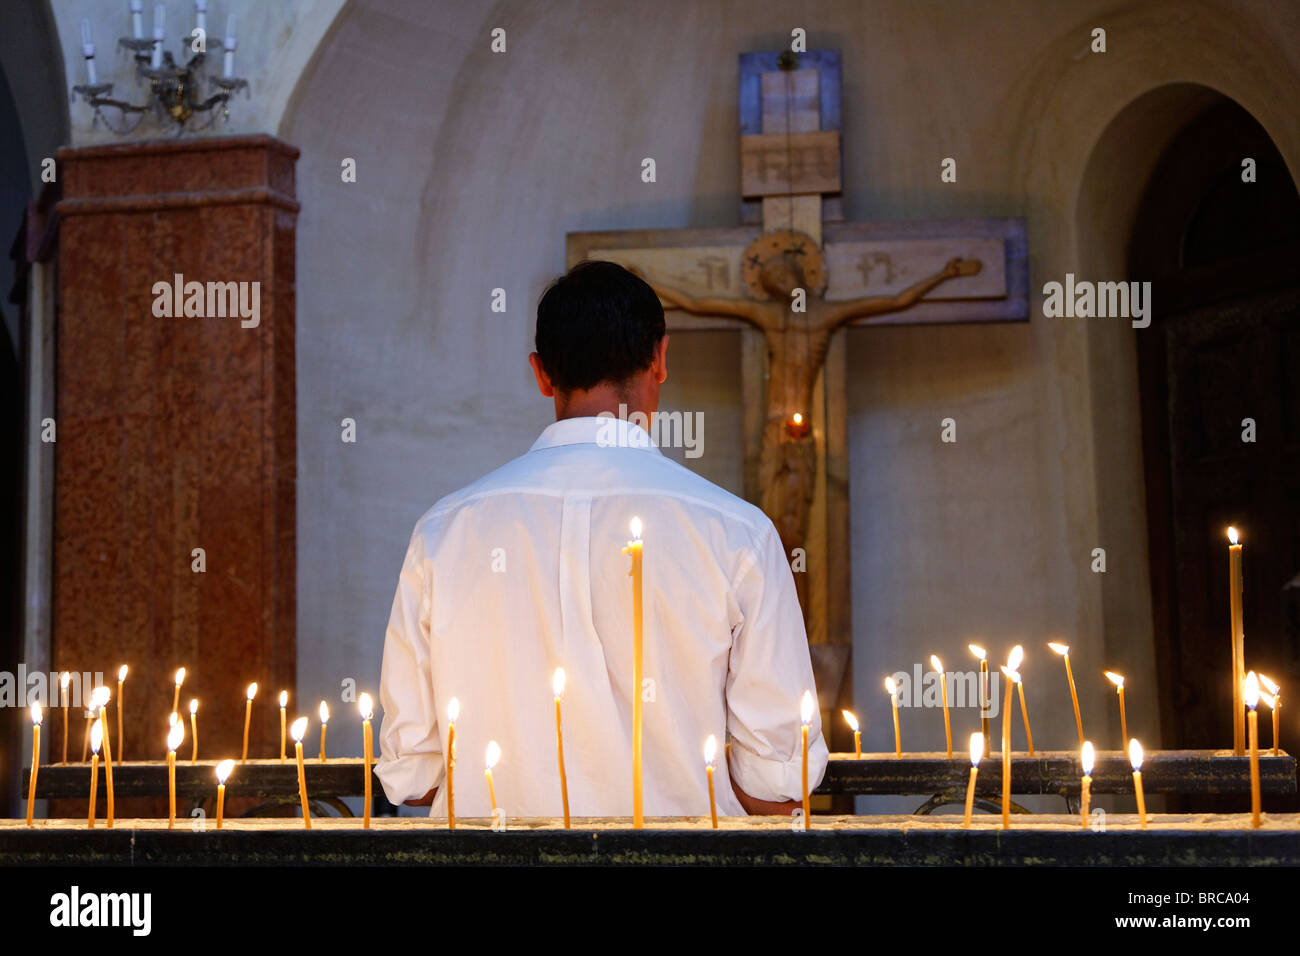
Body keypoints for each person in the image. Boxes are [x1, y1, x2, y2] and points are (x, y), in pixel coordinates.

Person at [374, 259, 828, 820]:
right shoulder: (736, 532)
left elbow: (412, 779)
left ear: (541, 374)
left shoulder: (444, 532)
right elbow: (777, 786)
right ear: (660, 359)